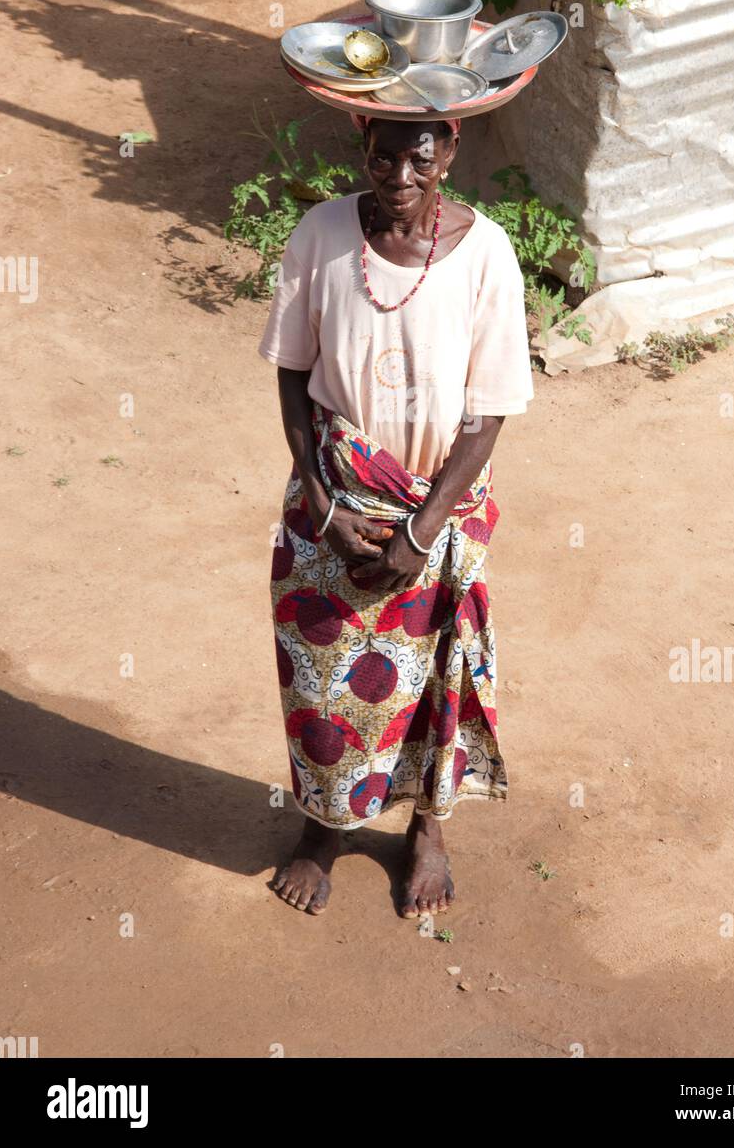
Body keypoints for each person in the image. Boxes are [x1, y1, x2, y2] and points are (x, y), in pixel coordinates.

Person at [258, 113, 533, 916]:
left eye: (420, 158)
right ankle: (323, 826)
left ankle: (426, 830)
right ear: (363, 153)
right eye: (384, 157)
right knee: (318, 679)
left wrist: (422, 531)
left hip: (432, 509)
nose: (401, 176)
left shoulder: (486, 255)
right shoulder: (319, 235)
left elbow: (485, 418)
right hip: (334, 499)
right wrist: (320, 504)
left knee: (431, 678)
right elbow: (293, 375)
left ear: (449, 151)